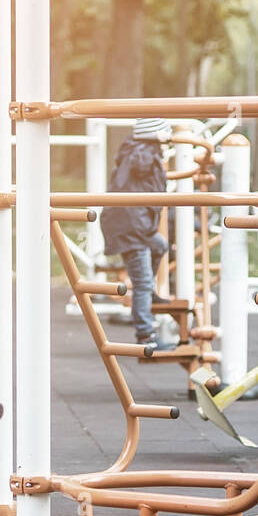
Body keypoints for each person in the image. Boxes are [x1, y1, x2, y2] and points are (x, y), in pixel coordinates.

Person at [100, 117, 170, 352]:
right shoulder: (142, 154)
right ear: (156, 136)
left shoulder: (138, 151)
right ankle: (145, 334)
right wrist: (156, 144)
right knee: (140, 280)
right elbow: (141, 167)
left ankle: (150, 293)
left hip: (136, 224)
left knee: (160, 246)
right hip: (130, 227)